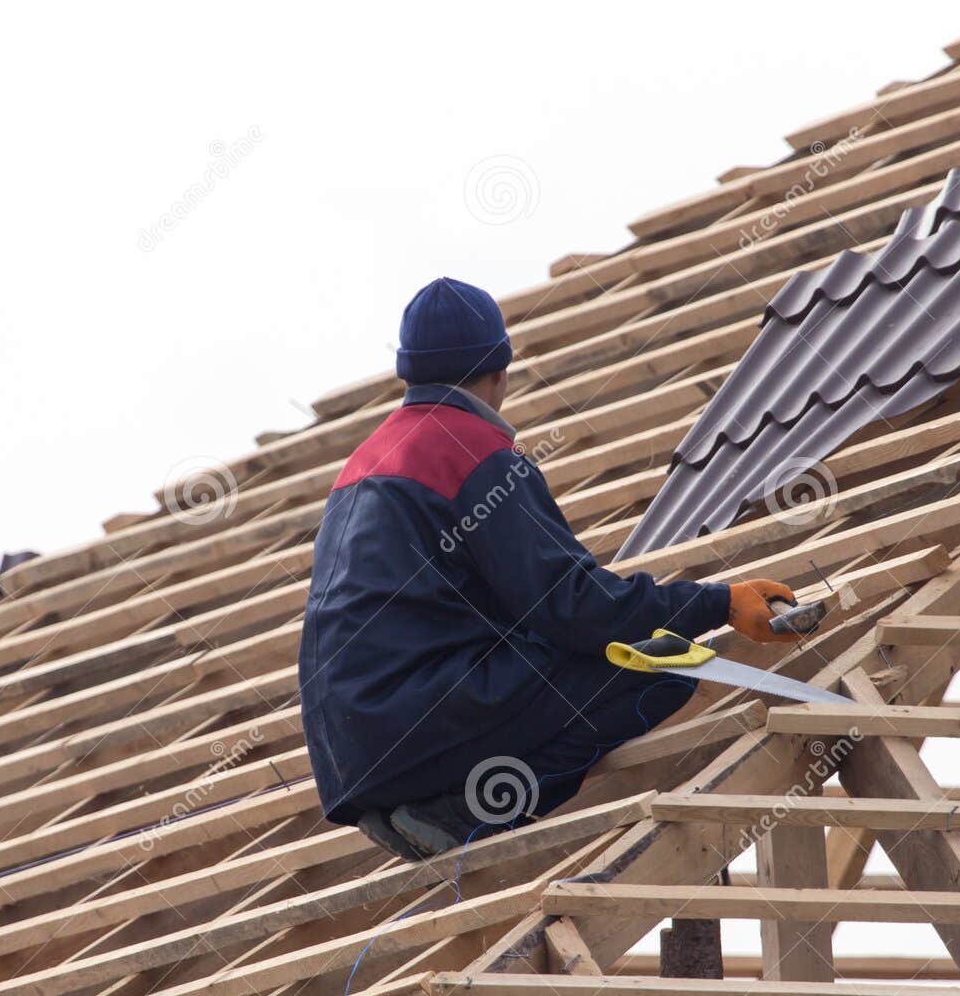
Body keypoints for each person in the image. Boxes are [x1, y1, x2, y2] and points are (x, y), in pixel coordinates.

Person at [299, 276, 797, 859]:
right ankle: (461, 813)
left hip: (350, 753)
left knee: (550, 655)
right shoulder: (473, 452)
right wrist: (718, 603)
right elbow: (573, 608)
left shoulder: (363, 463)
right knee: (653, 673)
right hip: (423, 720)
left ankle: (418, 809)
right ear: (499, 372)